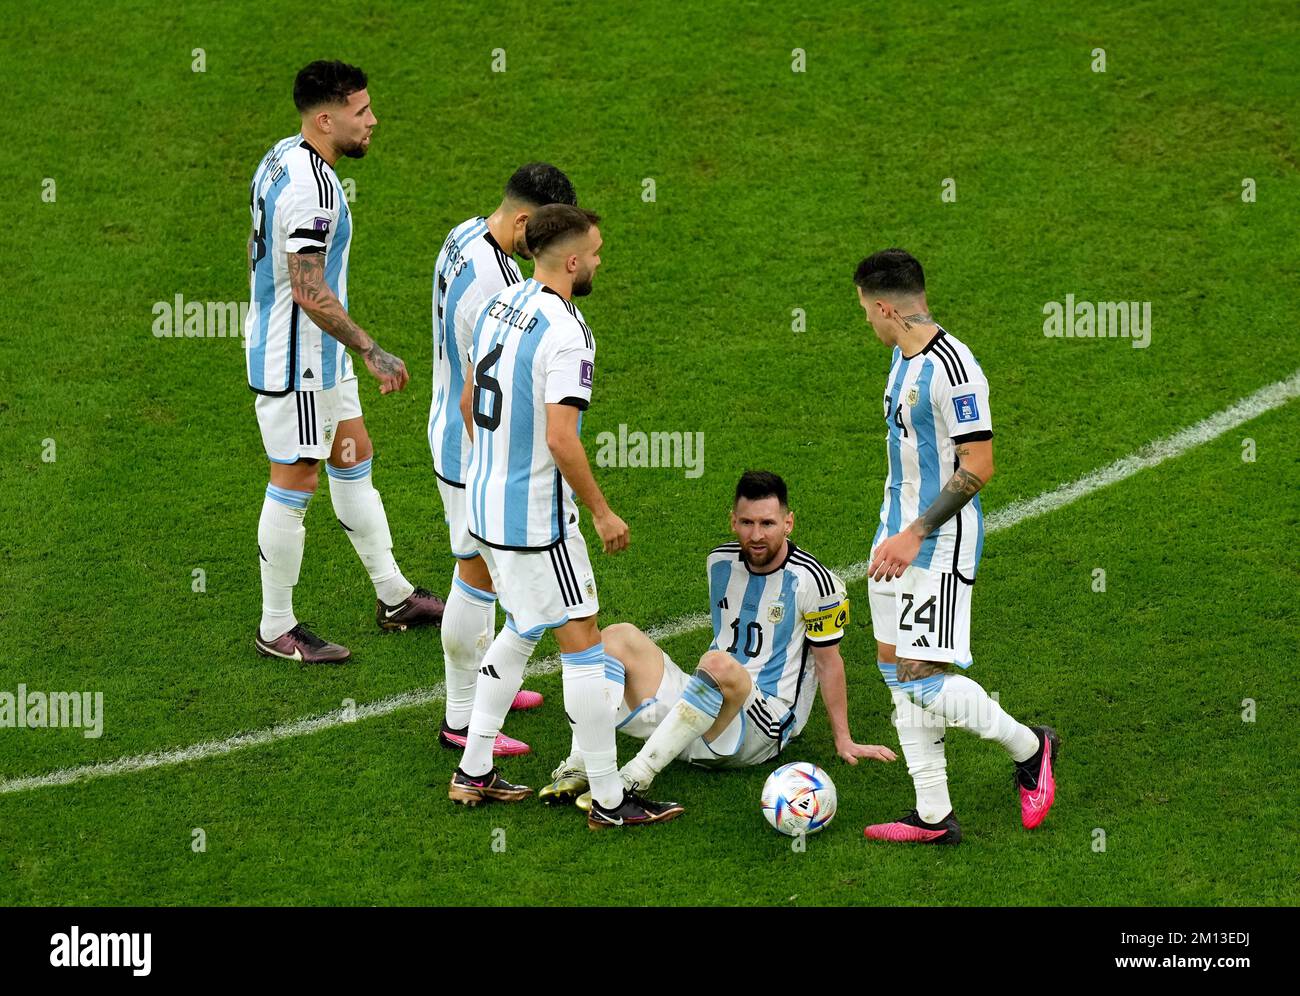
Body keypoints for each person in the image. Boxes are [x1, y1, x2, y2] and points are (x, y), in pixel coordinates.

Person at [447, 204, 683, 829]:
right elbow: (561, 438)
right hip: (535, 520)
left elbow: (469, 401)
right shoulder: (568, 332)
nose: (601, 261)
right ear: (572, 261)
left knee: (522, 625)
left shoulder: (499, 304)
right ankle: (609, 798)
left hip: (484, 504)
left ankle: (473, 770)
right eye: (597, 252)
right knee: (582, 644)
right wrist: (602, 512)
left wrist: (496, 463)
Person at [537, 470, 897, 810]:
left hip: (763, 723)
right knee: (616, 636)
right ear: (733, 521)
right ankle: (582, 762)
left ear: (788, 523)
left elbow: (828, 661)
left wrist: (844, 739)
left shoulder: (815, 581)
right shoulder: (719, 561)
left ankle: (634, 778)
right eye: (747, 522)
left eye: (768, 524)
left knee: (719, 664)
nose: (756, 535)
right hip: (703, 703)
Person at [854, 248, 1059, 844]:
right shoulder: (902, 354)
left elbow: (979, 464)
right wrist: (896, 532)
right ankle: (933, 815)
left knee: (921, 675)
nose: (867, 320)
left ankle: (1031, 747)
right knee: (895, 669)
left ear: (886, 306)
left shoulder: (954, 370)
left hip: (937, 543)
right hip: (892, 536)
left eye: (867, 311)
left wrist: (915, 533)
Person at [245, 60, 443, 664]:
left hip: (316, 357)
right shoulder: (313, 189)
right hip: (298, 360)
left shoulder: (282, 154)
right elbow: (308, 290)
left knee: (354, 455)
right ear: (326, 119)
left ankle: (394, 596)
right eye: (361, 111)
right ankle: (275, 625)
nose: (372, 120)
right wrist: (370, 348)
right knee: (296, 481)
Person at [429, 164, 580, 757]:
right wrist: (496, 464)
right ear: (522, 219)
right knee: (476, 574)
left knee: (481, 573)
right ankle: (460, 716)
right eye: (541, 233)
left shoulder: (464, 233)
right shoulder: (499, 286)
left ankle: (488, 681)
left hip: (452, 426)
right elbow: (477, 393)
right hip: (472, 447)